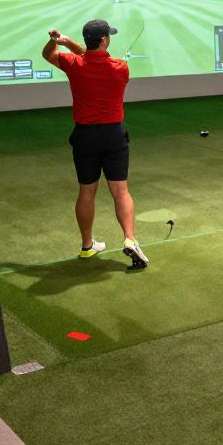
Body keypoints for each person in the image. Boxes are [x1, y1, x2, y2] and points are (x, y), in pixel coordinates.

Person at [42, 20, 149, 270]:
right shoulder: (120, 67)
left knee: (86, 191)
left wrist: (59, 41)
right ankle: (130, 238)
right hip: (113, 135)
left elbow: (49, 54)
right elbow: (92, 57)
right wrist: (71, 44)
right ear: (103, 40)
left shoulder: (73, 64)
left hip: (85, 136)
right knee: (120, 190)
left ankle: (88, 246)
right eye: (107, 36)